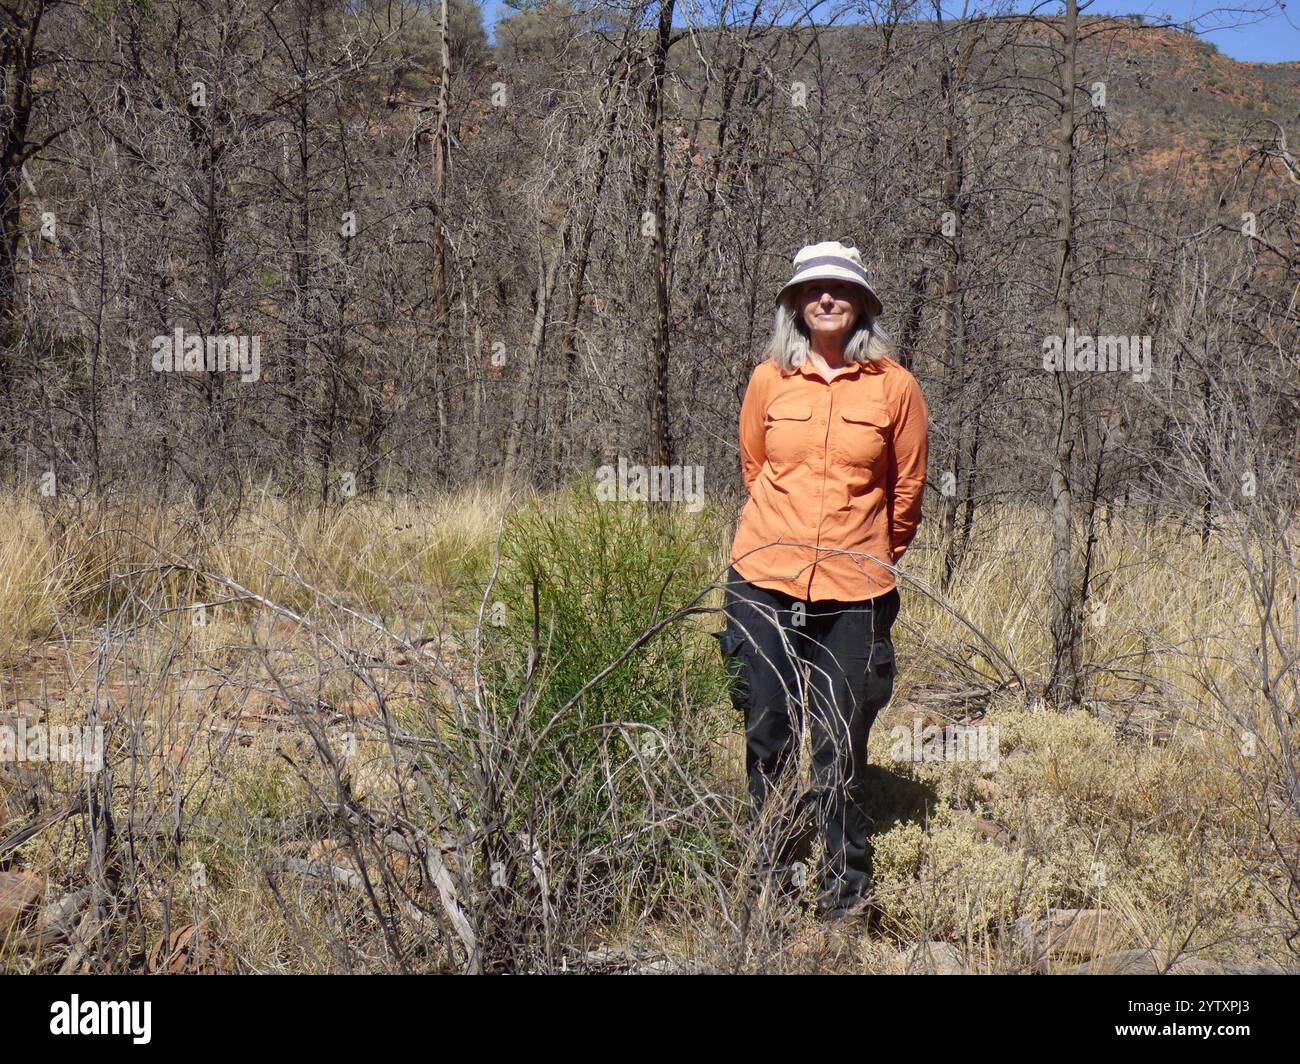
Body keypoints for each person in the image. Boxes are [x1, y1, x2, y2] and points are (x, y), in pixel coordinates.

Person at [715, 239, 929, 922]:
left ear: (862, 302)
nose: (826, 298)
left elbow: (907, 493)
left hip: (855, 590)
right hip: (763, 579)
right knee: (767, 726)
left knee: (840, 737)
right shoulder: (768, 381)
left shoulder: (895, 386)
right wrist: (787, 540)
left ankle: (844, 893)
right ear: (796, 305)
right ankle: (768, 878)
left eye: (839, 289)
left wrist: (865, 556)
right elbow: (756, 468)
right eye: (812, 290)